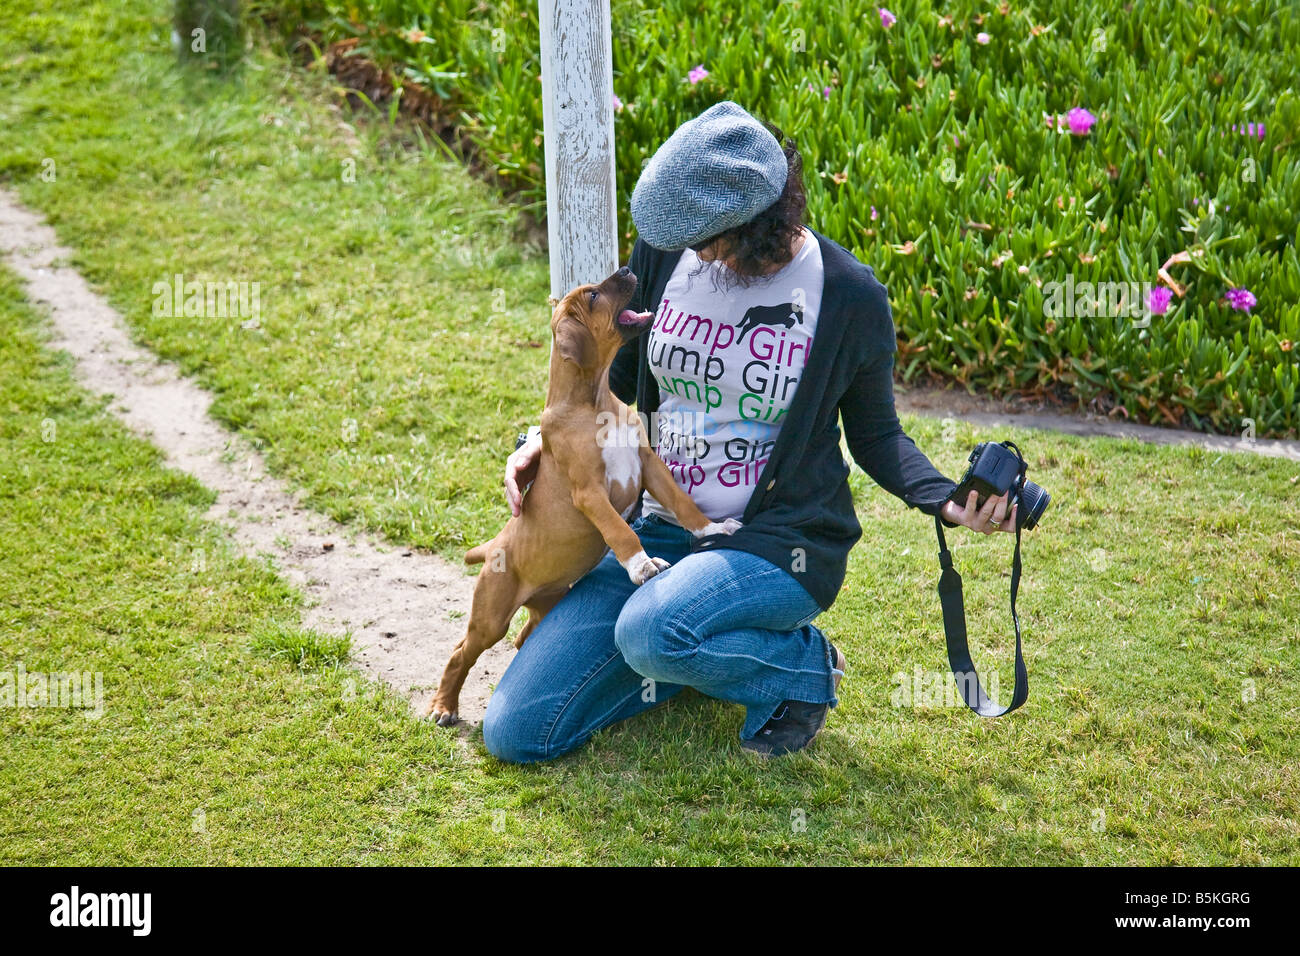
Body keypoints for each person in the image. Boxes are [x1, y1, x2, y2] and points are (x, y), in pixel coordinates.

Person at [482, 101, 1016, 762]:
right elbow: (607, 380)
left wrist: (946, 499)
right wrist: (540, 441)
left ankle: (802, 668)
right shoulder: (668, 252)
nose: (695, 252)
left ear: (761, 222)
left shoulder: (848, 296)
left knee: (650, 631)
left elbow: (877, 436)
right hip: (656, 530)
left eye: (709, 239)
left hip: (775, 541)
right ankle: (691, 644)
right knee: (518, 732)